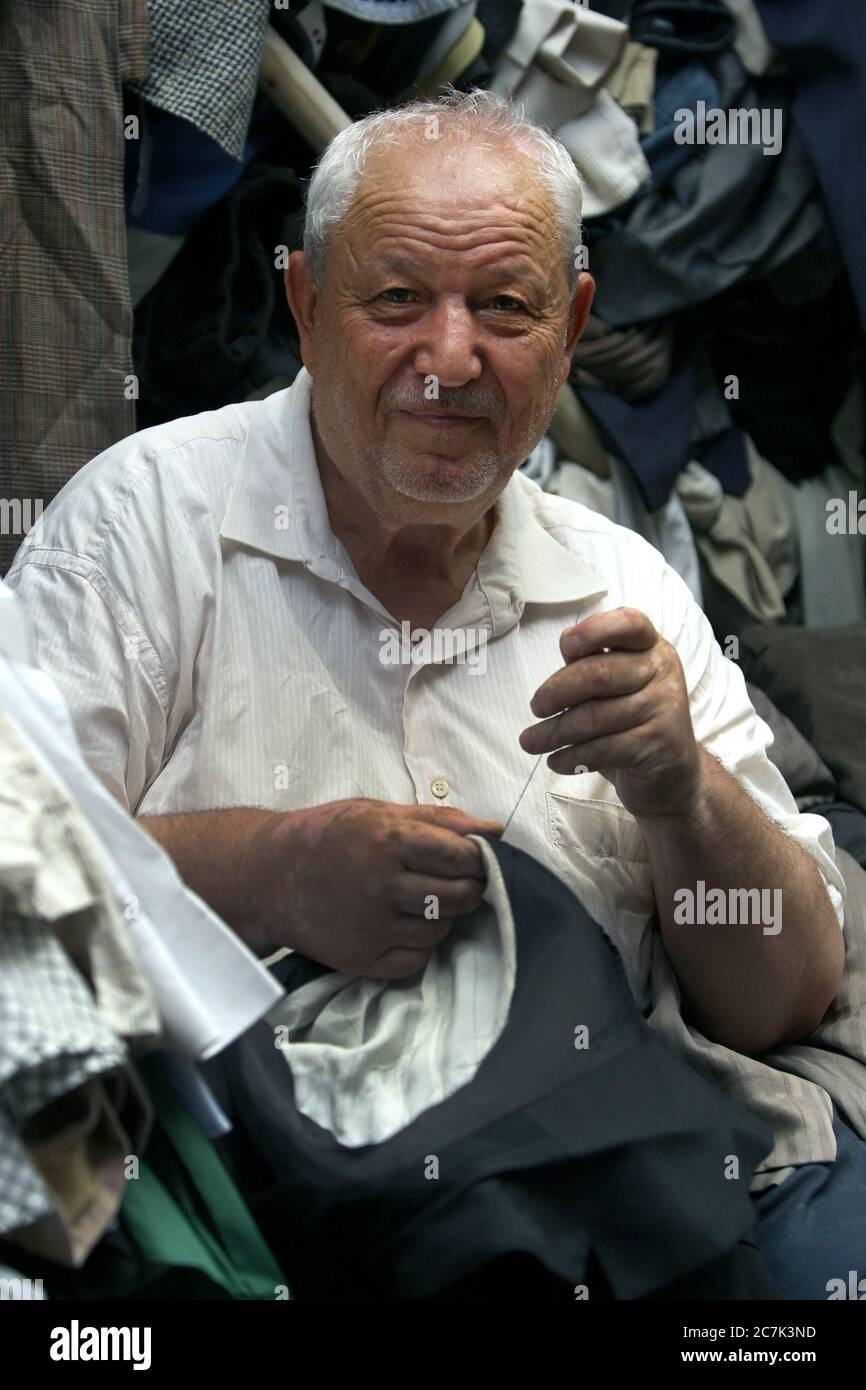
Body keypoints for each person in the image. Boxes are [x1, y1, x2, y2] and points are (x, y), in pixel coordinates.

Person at [6, 89, 861, 1297]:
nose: (449, 361)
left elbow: (784, 1000)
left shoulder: (618, 583)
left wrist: (681, 794)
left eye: (504, 307)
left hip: (557, 1205)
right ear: (304, 306)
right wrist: (270, 869)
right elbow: (8, 904)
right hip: (245, 1205)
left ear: (568, 327)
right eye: (396, 298)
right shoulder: (143, 523)